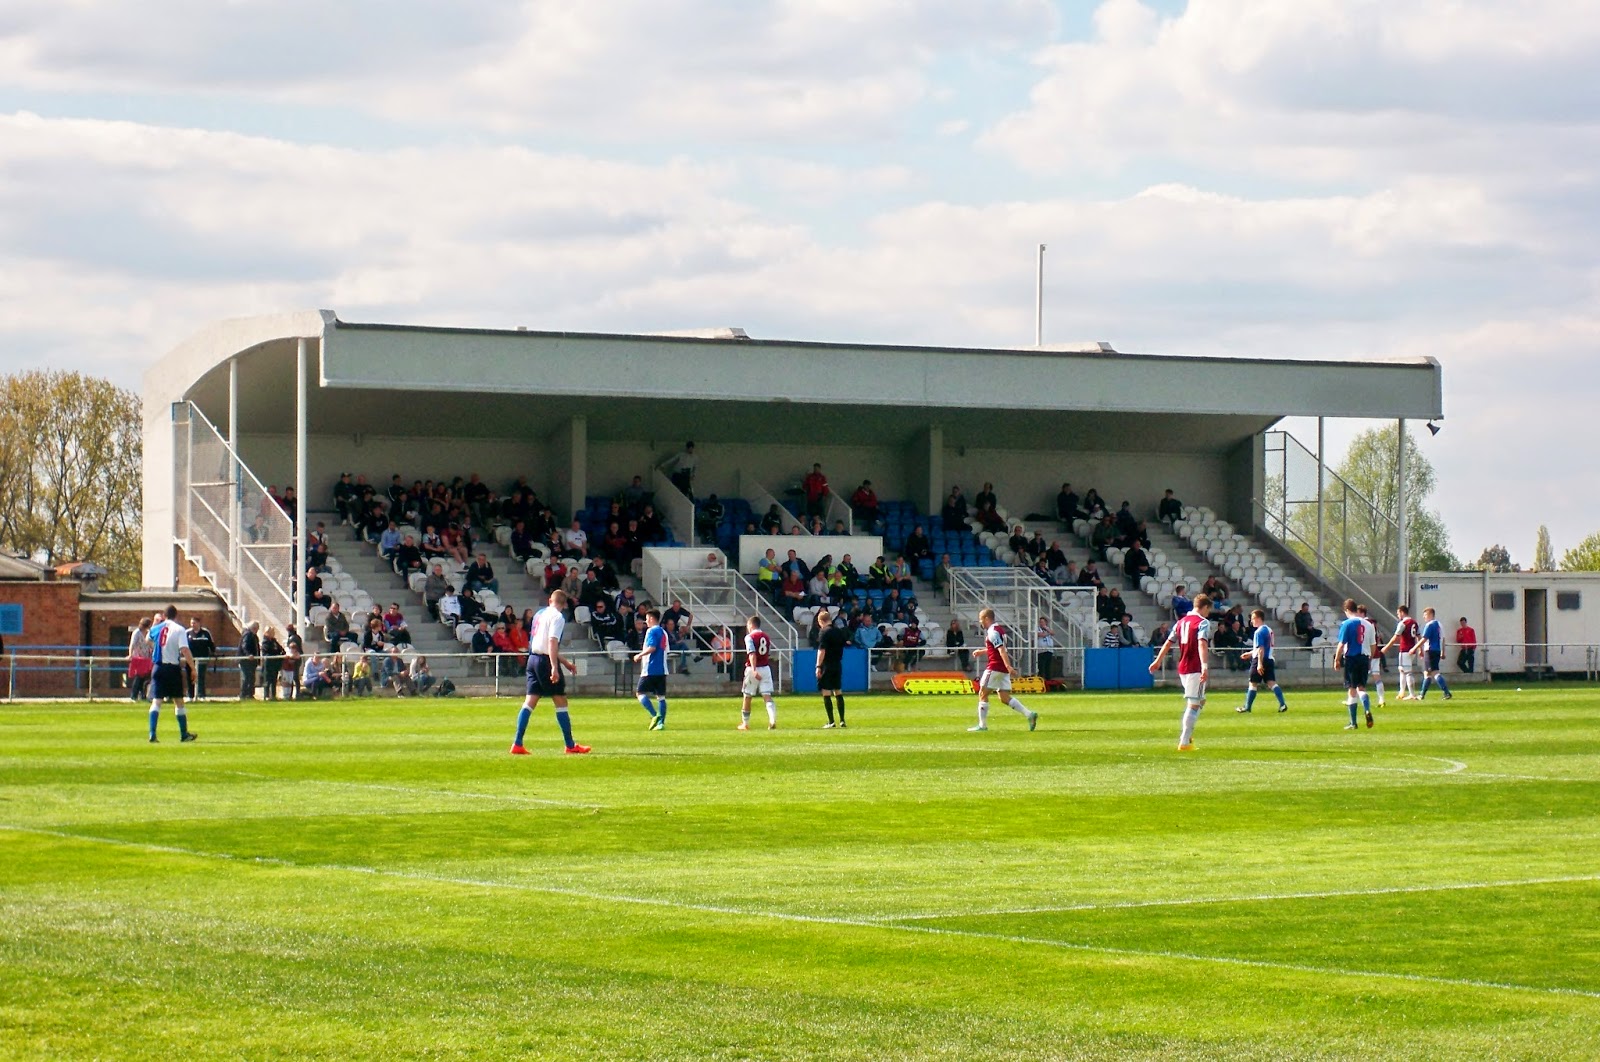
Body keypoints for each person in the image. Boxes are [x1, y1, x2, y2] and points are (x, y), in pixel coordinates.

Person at [510, 590, 591, 755]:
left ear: (550, 600)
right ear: (564, 604)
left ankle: (517, 743)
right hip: (545, 662)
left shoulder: (539, 614)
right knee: (561, 701)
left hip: (532, 659)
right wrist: (554, 666)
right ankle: (570, 745)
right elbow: (552, 642)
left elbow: (540, 642)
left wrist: (565, 662)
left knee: (530, 701)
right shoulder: (558, 617)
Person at [1148, 593, 1213, 751]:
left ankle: (1188, 734)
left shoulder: (1181, 622)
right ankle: (1184, 741)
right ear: (1204, 607)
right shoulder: (1202, 622)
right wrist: (1204, 665)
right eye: (1208, 610)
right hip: (1195, 667)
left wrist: (1157, 661)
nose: (1208, 613)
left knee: (1200, 700)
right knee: (1194, 704)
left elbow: (1168, 643)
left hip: (1183, 667)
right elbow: (1202, 644)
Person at [968, 608, 1038, 732]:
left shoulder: (993, 632)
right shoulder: (999, 630)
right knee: (1004, 697)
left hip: (995, 667)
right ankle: (1029, 714)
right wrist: (982, 651)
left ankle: (982, 725)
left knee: (983, 693)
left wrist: (1008, 666)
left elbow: (1002, 650)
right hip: (1002, 669)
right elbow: (996, 648)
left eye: (981, 619)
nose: (980, 622)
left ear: (987, 619)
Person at [148, 605, 197, 743]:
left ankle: (152, 733)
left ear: (164, 616)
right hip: (172, 668)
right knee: (179, 701)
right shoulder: (179, 629)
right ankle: (184, 734)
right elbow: (185, 650)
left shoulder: (156, 628)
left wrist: (156, 646)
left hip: (157, 667)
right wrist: (193, 668)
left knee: (156, 701)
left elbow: (148, 639)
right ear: (176, 615)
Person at [1332, 598, 1374, 730]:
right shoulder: (1368, 624)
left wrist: (1337, 659)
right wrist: (1369, 659)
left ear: (1347, 610)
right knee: (1361, 688)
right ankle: (1367, 709)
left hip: (1351, 658)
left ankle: (1353, 723)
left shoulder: (1347, 624)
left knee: (1352, 689)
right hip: (1364, 658)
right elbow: (1373, 646)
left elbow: (1341, 644)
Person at [1236, 608, 1288, 714]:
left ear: (1259, 618)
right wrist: (1250, 653)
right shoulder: (1268, 630)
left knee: (1253, 683)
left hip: (1261, 659)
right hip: (1269, 659)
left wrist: (1259, 663)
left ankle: (1247, 707)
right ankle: (1283, 704)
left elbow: (1261, 649)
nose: (1252, 621)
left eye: (1253, 618)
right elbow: (1263, 647)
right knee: (1271, 683)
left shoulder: (1259, 631)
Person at [738, 615, 779, 731]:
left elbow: (752, 654)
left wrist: (754, 669)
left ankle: (745, 723)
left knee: (747, 696)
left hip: (753, 669)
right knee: (767, 696)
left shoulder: (749, 637)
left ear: (750, 625)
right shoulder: (766, 637)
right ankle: (772, 720)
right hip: (766, 668)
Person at [634, 608, 671, 730]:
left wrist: (640, 655)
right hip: (662, 669)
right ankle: (661, 724)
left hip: (650, 669)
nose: (646, 621)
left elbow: (652, 647)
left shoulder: (651, 631)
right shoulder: (664, 632)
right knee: (661, 697)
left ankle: (655, 716)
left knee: (639, 693)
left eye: (647, 618)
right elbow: (667, 650)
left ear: (651, 618)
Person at [814, 609, 852, 728]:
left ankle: (831, 721)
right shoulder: (838, 631)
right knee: (838, 691)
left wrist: (818, 666)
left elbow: (822, 650)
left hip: (827, 664)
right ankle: (842, 720)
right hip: (837, 664)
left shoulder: (823, 632)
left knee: (826, 691)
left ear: (820, 621)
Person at [1379, 605, 1422, 703]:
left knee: (1407, 672)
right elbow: (1419, 636)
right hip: (1412, 650)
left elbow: (1395, 637)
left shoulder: (1403, 623)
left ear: (1402, 612)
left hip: (1405, 650)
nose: (1398, 615)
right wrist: (1420, 649)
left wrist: (1386, 648)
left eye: (1398, 613)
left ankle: (1411, 694)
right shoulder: (1414, 622)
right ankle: (1401, 692)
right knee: (1402, 670)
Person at [1417, 607, 1455, 701]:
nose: (1424, 617)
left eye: (1425, 615)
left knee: (1433, 673)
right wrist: (1443, 651)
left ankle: (1446, 692)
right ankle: (1422, 694)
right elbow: (1443, 639)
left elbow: (1424, 638)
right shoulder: (1439, 624)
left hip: (1429, 651)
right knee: (1429, 672)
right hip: (1437, 651)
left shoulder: (1429, 625)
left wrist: (1414, 648)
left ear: (1430, 615)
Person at [186, 617, 214, 700]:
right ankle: (190, 696)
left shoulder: (206, 633)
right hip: (190, 659)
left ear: (199, 623)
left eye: (194, 623)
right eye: (191, 623)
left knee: (201, 677)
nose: (192, 625)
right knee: (190, 677)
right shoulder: (187, 633)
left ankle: (201, 695)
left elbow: (211, 645)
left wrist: (213, 652)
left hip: (202, 659)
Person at [127, 618, 154, 702]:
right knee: (138, 677)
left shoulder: (149, 633)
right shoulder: (137, 633)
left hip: (147, 658)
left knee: (144, 678)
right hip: (138, 658)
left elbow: (151, 644)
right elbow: (132, 644)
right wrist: (130, 654)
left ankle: (142, 695)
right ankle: (133, 695)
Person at [238, 620, 261, 700]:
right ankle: (244, 694)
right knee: (247, 677)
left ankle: (249, 694)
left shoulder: (254, 636)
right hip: (246, 661)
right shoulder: (247, 635)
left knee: (251, 677)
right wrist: (248, 655)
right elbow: (245, 646)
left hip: (251, 661)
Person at [260, 627, 284, 701]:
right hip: (268, 664)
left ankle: (273, 695)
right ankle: (266, 696)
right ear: (267, 633)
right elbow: (269, 651)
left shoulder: (274, 641)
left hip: (275, 664)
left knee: (274, 680)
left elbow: (280, 649)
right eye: (272, 632)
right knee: (267, 680)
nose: (273, 634)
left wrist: (280, 654)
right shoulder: (265, 642)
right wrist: (276, 653)